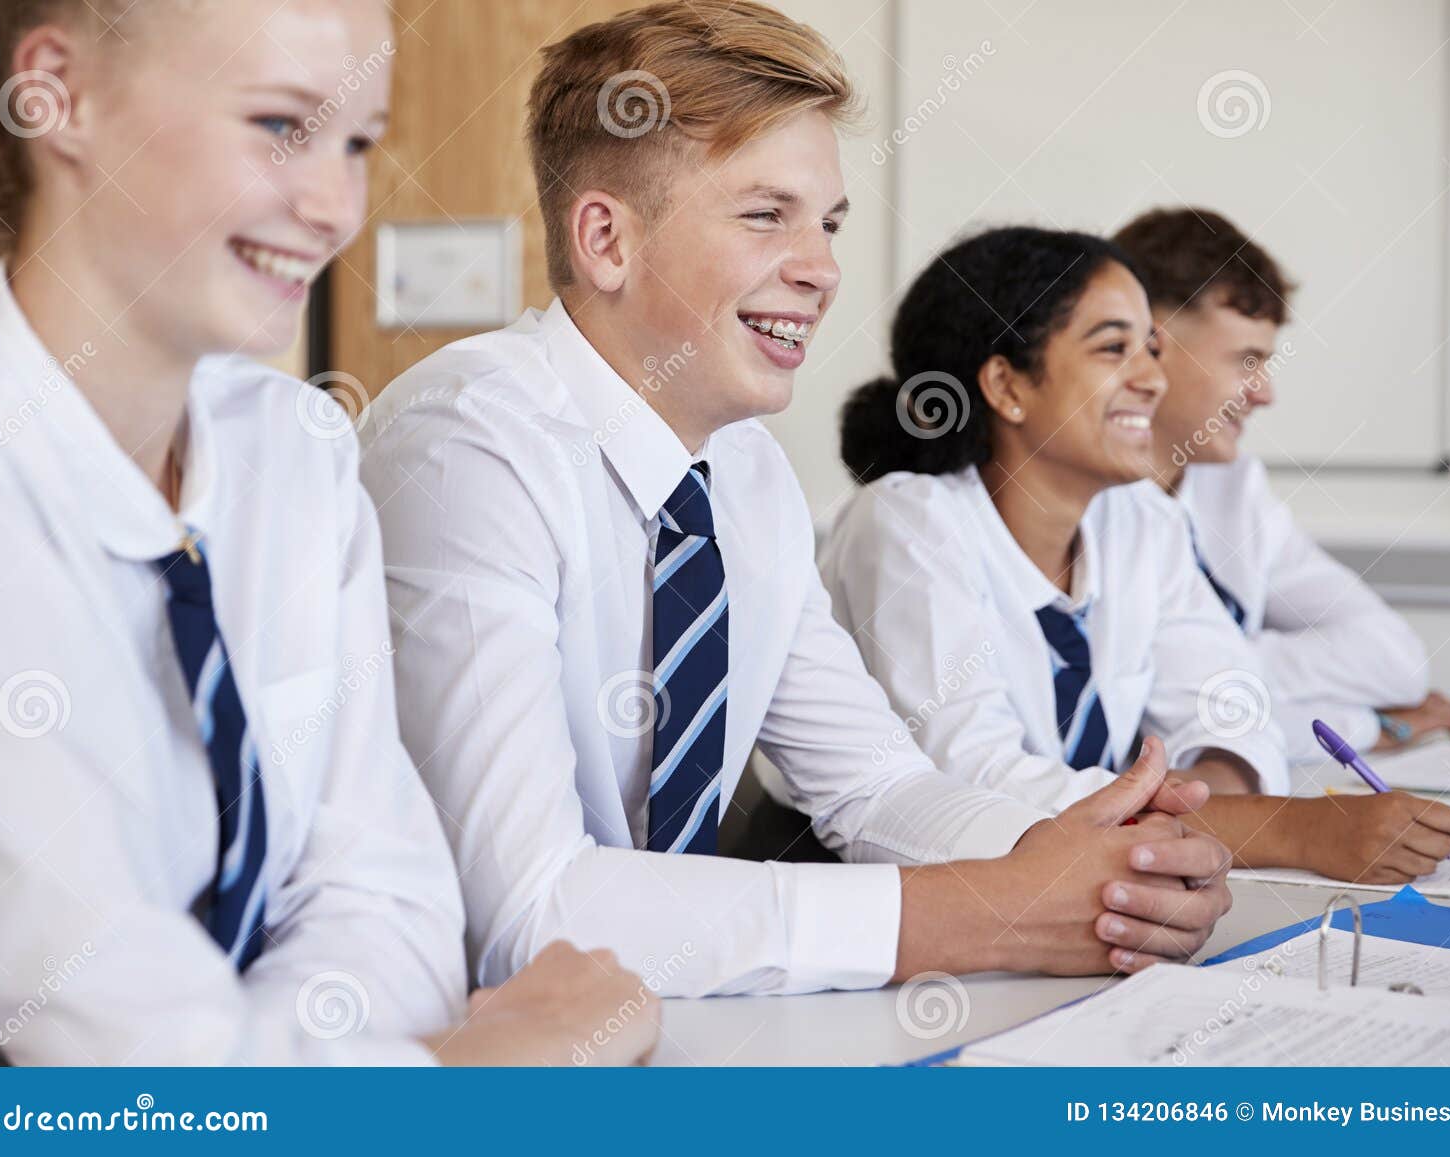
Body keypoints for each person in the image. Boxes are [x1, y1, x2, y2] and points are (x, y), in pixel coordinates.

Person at [359, 0, 1236, 998]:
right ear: (606, 239)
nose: (821, 270)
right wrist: (987, 910)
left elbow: (874, 784)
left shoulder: (746, 473)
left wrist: (1101, 864)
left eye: (827, 224)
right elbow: (531, 912)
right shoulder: (467, 439)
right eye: (765, 214)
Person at [0, 0, 655, 1065]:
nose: (337, 206)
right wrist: (483, 1063)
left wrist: (306, 1076)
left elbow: (391, 903)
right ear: (56, 94)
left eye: (356, 143)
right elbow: (130, 1078)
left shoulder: (294, 452)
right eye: (279, 126)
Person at [820, 227, 1450, 886]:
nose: (1153, 379)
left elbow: (1232, 708)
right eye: (1114, 348)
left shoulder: (1139, 519)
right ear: (1006, 386)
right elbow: (973, 786)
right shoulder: (908, 523)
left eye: (1153, 350)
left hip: (1096, 887)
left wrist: (1186, 816)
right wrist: (1286, 829)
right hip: (911, 905)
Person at [1113, 207, 1450, 761]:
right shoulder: (1083, 502)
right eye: (1246, 360)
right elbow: (1151, 726)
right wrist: (1367, 727)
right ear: (1150, 349)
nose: (1264, 393)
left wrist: (1219, 671)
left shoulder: (1233, 488)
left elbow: (1395, 659)